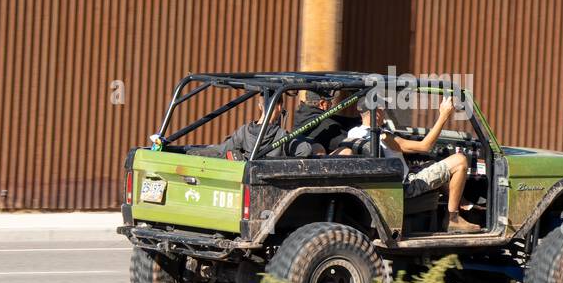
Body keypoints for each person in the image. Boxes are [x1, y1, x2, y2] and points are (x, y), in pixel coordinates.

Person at [343, 95, 478, 233]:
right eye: (382, 108)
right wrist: (443, 115)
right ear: (377, 112)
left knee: (431, 164)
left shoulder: (354, 133)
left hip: (385, 186)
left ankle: (463, 202)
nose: (384, 112)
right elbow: (425, 146)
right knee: (460, 161)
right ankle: (453, 219)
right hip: (405, 187)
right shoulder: (384, 136)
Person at [204, 94, 317, 160]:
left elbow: (221, 149)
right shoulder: (282, 136)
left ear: (260, 106)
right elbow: (306, 150)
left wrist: (192, 151)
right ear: (279, 107)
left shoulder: (244, 131)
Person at [291, 89, 360, 153]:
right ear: (322, 104)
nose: (332, 105)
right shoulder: (327, 126)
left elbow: (339, 119)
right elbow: (348, 142)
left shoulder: (301, 115)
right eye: (330, 102)